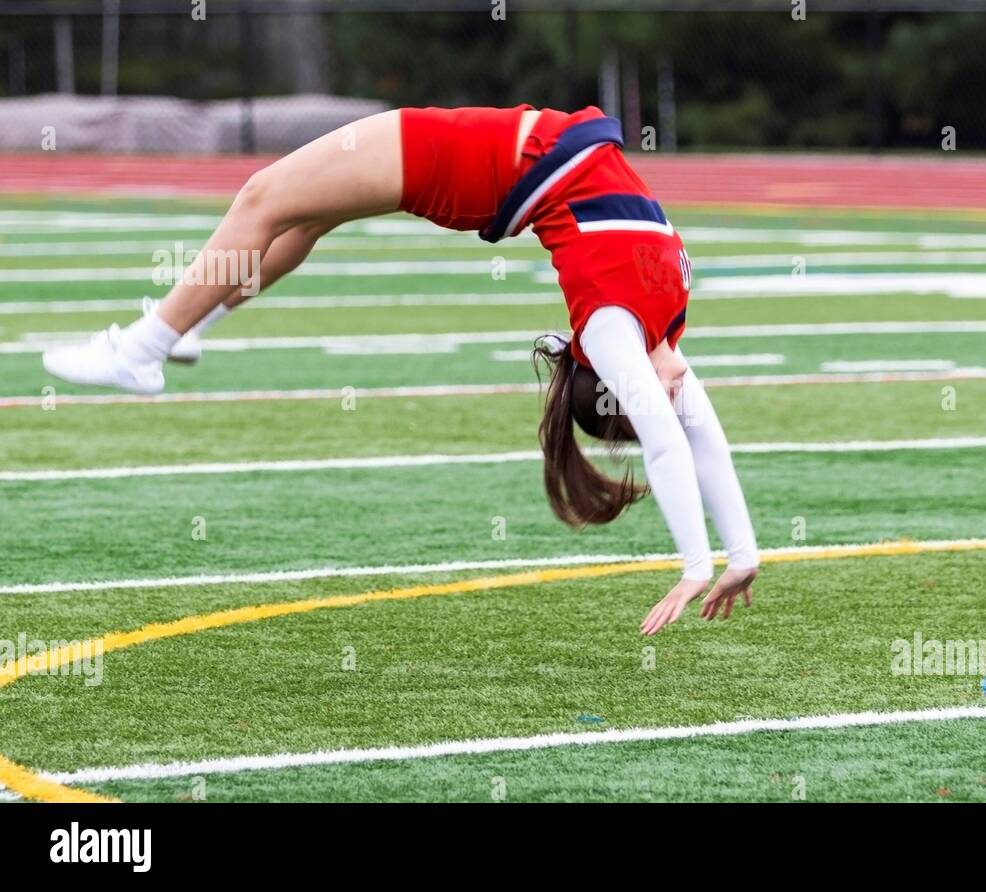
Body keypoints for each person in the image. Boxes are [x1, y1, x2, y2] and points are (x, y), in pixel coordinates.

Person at [41, 105, 759, 634]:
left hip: (460, 163)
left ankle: (144, 349)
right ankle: (189, 326)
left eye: (647, 404)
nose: (673, 400)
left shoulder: (610, 331)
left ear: (613, 382)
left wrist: (694, 564)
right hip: (486, 158)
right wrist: (742, 553)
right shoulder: (664, 329)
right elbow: (702, 441)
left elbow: (669, 444)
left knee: (261, 196)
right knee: (301, 219)